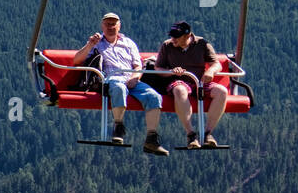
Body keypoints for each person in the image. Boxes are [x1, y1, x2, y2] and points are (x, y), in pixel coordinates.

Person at [78, 12, 168, 155]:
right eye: (107, 24)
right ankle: (118, 126)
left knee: (154, 97)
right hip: (110, 79)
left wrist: (135, 78)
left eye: (113, 24)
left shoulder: (128, 43)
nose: (110, 27)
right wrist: (89, 45)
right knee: (119, 87)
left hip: (131, 79)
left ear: (119, 26)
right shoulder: (97, 43)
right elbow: (76, 61)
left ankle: (151, 138)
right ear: (102, 26)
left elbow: (138, 66)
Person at [153, 21, 227, 149]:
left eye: (177, 36)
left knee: (222, 92)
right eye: (172, 36)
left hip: (199, 82)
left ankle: (208, 133)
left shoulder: (202, 44)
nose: (173, 39)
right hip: (179, 81)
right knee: (180, 90)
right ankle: (191, 134)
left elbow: (216, 64)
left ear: (187, 36)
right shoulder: (167, 46)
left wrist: (210, 71)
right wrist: (170, 72)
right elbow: (158, 68)